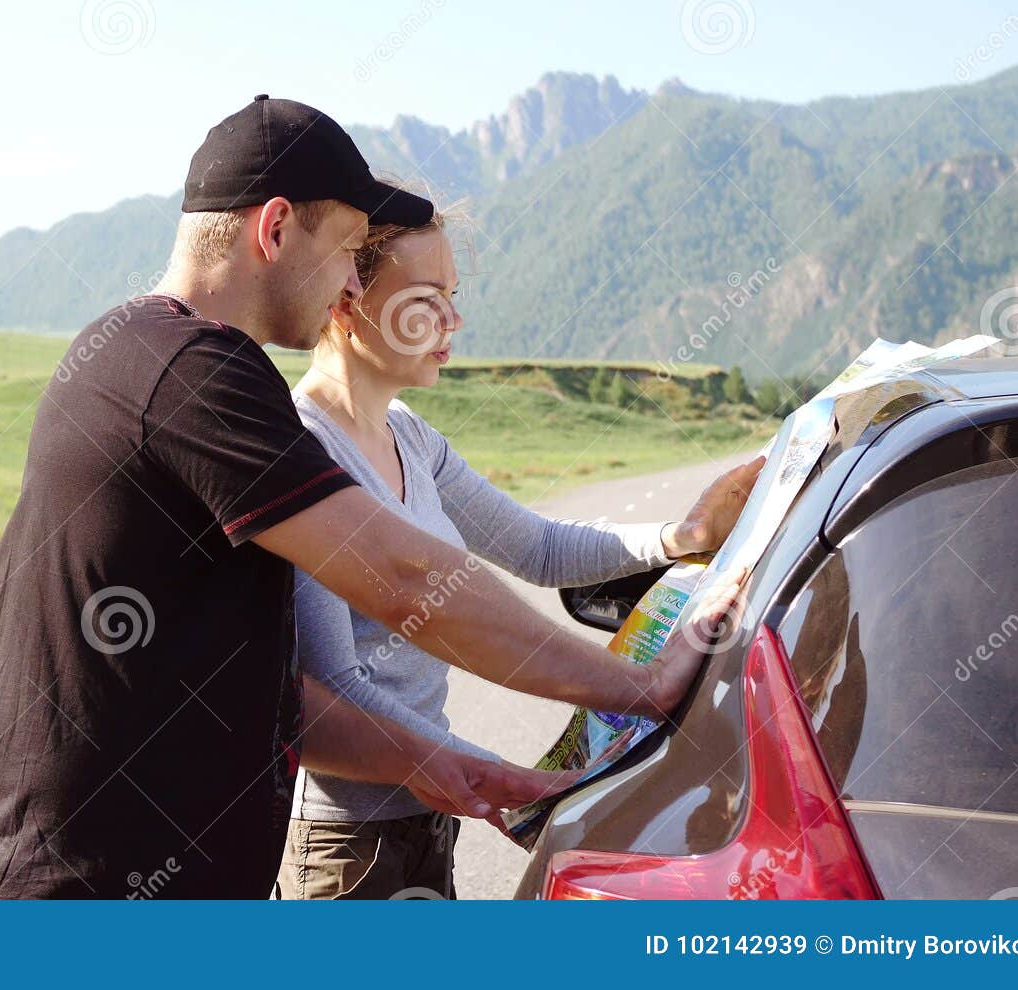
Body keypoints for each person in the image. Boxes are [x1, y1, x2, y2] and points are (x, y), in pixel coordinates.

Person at [0, 96, 745, 899]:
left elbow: (277, 690)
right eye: (349, 249)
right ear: (275, 228)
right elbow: (407, 577)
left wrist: (439, 764)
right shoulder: (197, 369)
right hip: (73, 891)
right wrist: (638, 689)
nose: (349, 280)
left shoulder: (148, 352)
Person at [276, 198, 765, 899]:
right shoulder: (302, 455)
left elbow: (537, 547)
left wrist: (681, 539)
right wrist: (509, 782)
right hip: (347, 845)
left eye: (452, 296)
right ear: (346, 301)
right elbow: (338, 687)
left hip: (428, 812)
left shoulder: (410, 435)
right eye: (426, 299)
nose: (453, 321)